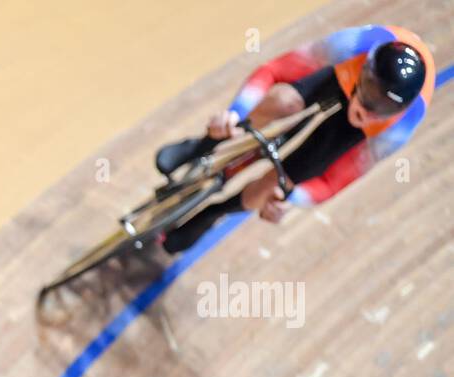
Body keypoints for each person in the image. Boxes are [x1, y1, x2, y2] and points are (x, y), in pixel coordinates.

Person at [154, 25, 434, 254]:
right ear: (364, 70)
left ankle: (211, 214)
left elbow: (331, 183)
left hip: (362, 114)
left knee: (276, 184)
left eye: (383, 107)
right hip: (343, 77)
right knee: (283, 102)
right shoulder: (353, 44)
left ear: (399, 111)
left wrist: (289, 196)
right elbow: (273, 71)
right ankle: (203, 144)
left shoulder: (397, 131)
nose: (369, 108)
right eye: (371, 93)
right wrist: (235, 112)